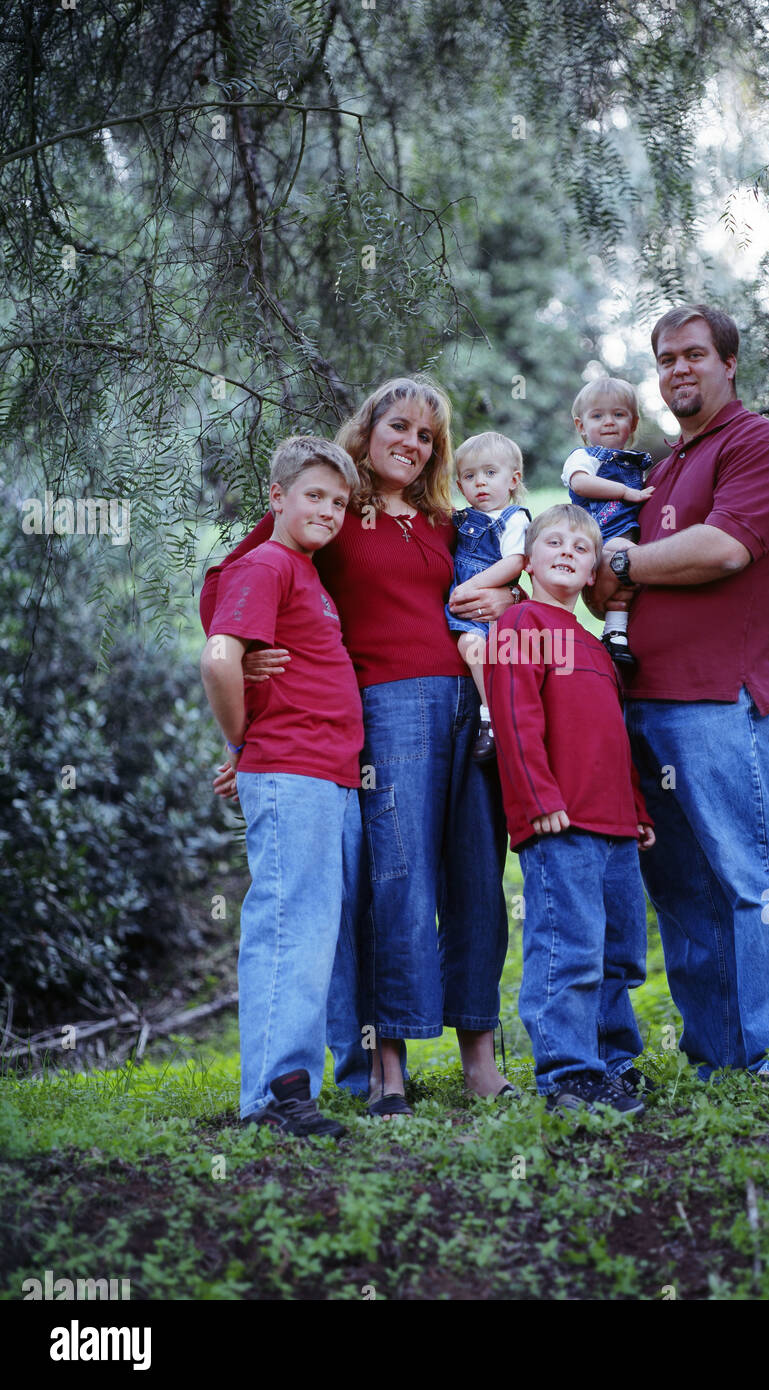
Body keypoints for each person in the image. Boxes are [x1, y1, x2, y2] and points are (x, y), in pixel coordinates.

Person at [200, 378, 514, 1117]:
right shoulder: (334, 509)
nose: (412, 443)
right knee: (396, 884)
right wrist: (244, 660)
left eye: (427, 436)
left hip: (470, 703)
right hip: (383, 713)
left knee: (476, 880)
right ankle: (386, 1068)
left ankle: (479, 1061)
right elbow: (229, 580)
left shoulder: (449, 521)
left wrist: (505, 598)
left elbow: (510, 580)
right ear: (366, 431)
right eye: (398, 427)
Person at [588, 304, 769, 1082]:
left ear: (729, 364)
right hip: (646, 704)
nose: (678, 370)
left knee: (756, 879)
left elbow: (722, 550)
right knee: (684, 892)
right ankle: (719, 1059)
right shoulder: (657, 473)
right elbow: (605, 590)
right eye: (665, 359)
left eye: (694, 354)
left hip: (723, 702)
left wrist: (620, 561)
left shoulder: (763, 447)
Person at [200, 436, 363, 1136]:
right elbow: (217, 659)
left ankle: (288, 1089)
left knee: (310, 928)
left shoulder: (303, 571)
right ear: (277, 498)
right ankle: (274, 1097)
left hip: (319, 772)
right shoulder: (268, 562)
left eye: (338, 502)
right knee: (289, 926)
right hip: (292, 770)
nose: (328, 511)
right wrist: (244, 745)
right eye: (314, 496)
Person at [486, 504, 656, 1115]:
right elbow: (513, 717)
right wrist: (536, 800)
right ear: (526, 563)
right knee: (569, 945)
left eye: (580, 549)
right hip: (560, 822)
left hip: (614, 826)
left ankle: (612, 1062)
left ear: (592, 574)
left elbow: (613, 736)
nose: (565, 552)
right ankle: (567, 1071)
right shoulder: (518, 625)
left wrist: (637, 809)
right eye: (551, 543)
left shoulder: (596, 645)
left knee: (619, 952)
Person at [444, 431, 530, 763]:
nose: (480, 482)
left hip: (484, 604)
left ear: (513, 479)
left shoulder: (514, 519)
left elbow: (515, 562)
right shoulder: (460, 518)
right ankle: (493, 713)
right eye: (470, 476)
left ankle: (492, 717)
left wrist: (473, 587)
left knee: (491, 654)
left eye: (490, 473)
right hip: (464, 609)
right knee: (471, 647)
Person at [562, 377, 654, 666]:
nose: (609, 422)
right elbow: (580, 484)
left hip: (624, 535)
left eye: (618, 414)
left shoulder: (635, 462)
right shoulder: (585, 457)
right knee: (627, 562)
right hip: (599, 533)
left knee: (623, 587)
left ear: (634, 423)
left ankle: (615, 635)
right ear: (581, 426)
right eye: (598, 416)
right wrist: (626, 491)